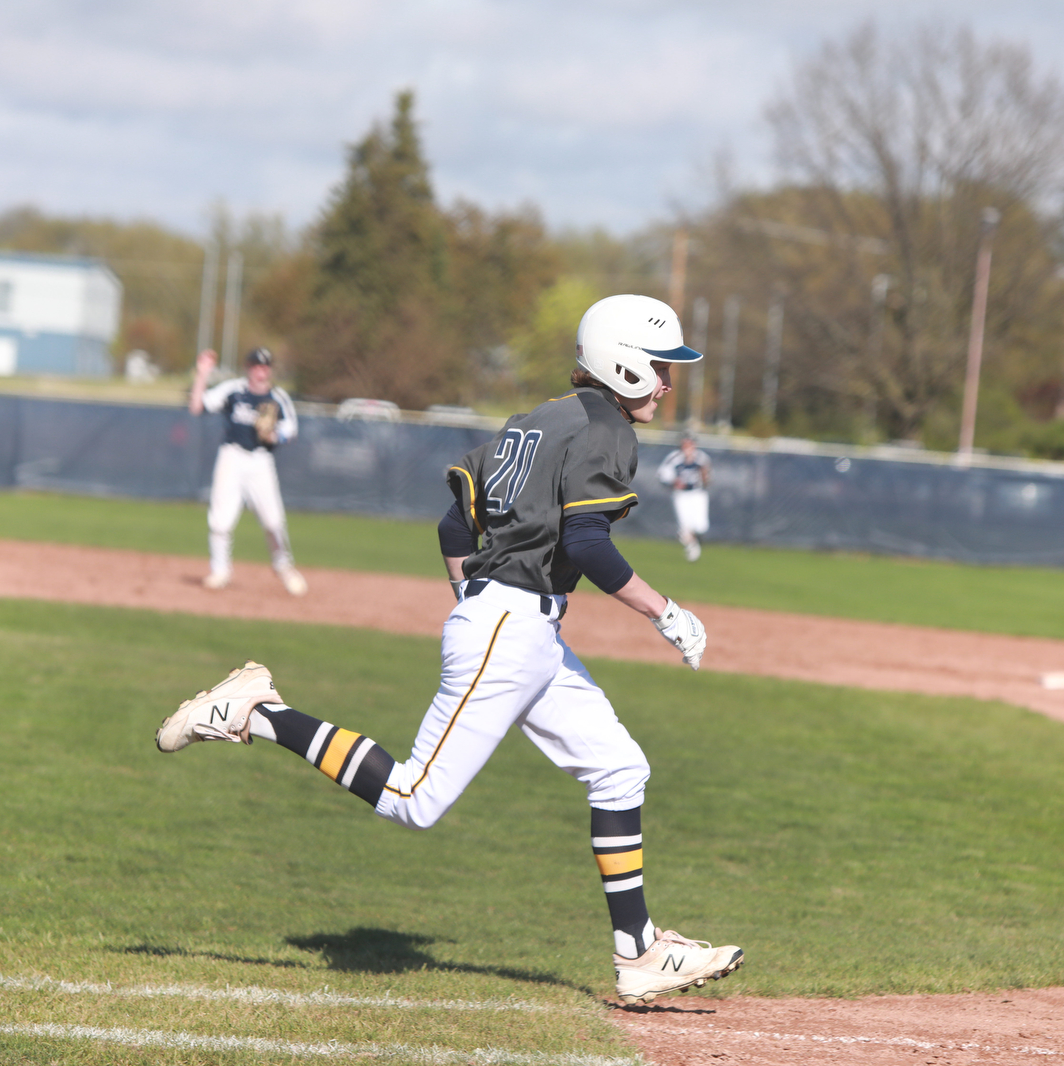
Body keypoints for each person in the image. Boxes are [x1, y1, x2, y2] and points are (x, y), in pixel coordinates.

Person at [155, 295, 742, 1005]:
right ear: (620, 363)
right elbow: (588, 544)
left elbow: (453, 521)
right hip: (512, 627)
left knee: (620, 770)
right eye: (657, 367)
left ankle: (639, 952)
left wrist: (472, 598)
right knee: (413, 798)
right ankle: (257, 714)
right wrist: (665, 611)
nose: (666, 382)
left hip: (519, 627)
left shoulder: (536, 419)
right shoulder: (606, 429)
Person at [190, 346, 307, 596]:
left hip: (260, 460)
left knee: (273, 521)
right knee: (220, 521)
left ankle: (283, 566)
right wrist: (202, 374)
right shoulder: (235, 390)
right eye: (255, 366)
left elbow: (291, 429)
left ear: (270, 370)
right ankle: (220, 570)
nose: (260, 371)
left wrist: (276, 435)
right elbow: (197, 407)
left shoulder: (277, 397)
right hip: (231, 456)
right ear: (248, 368)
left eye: (264, 366)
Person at [657, 434, 712, 562]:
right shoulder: (674, 457)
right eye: (685, 444)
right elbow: (662, 474)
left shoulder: (702, 458)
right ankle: (692, 548)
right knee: (684, 526)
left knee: (701, 526)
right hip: (681, 494)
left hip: (698, 493)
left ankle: (694, 544)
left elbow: (708, 477)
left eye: (690, 444)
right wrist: (673, 481)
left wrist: (705, 478)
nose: (687, 447)